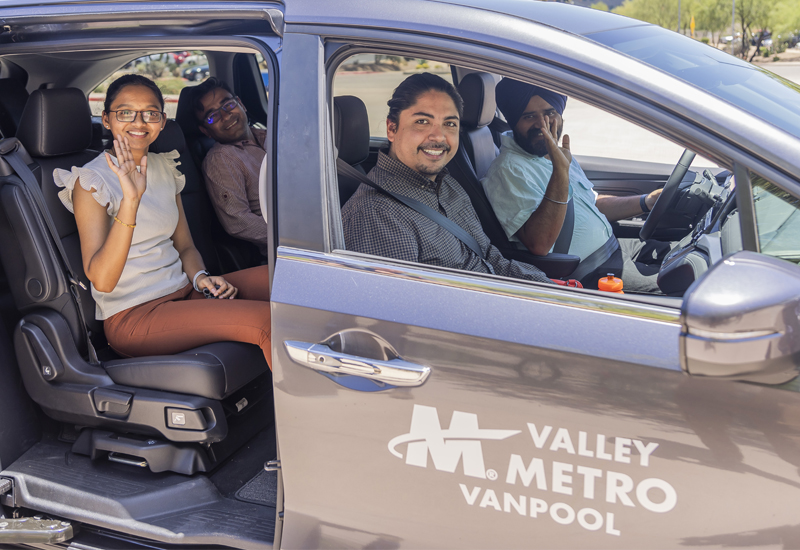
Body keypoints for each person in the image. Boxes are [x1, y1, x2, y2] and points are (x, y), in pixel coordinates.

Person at [54, 74, 272, 364]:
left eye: (150, 113)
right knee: (271, 321)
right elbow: (103, 281)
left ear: (162, 120)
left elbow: (184, 247)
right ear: (106, 119)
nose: (139, 122)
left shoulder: (165, 165)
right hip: (135, 316)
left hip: (185, 294)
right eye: (125, 112)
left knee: (297, 281)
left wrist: (201, 278)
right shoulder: (91, 180)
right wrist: (130, 201)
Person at [342, 73, 552, 285]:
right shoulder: (376, 215)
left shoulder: (447, 184)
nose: (439, 137)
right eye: (422, 121)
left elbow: (490, 257)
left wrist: (547, 288)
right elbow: (403, 311)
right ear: (391, 129)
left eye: (450, 124)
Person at [482, 78, 673, 292]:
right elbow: (540, 244)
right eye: (528, 116)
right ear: (514, 120)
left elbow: (592, 204)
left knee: (688, 256)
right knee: (685, 285)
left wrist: (646, 201)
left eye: (550, 113)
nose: (542, 124)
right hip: (588, 272)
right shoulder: (509, 170)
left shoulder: (553, 151)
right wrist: (560, 171)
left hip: (615, 248)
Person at [192, 77, 267, 258]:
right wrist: (295, 236)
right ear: (206, 131)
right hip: (295, 250)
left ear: (240, 103)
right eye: (212, 116)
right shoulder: (222, 158)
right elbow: (239, 222)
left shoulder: (270, 134)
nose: (226, 116)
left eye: (228, 105)